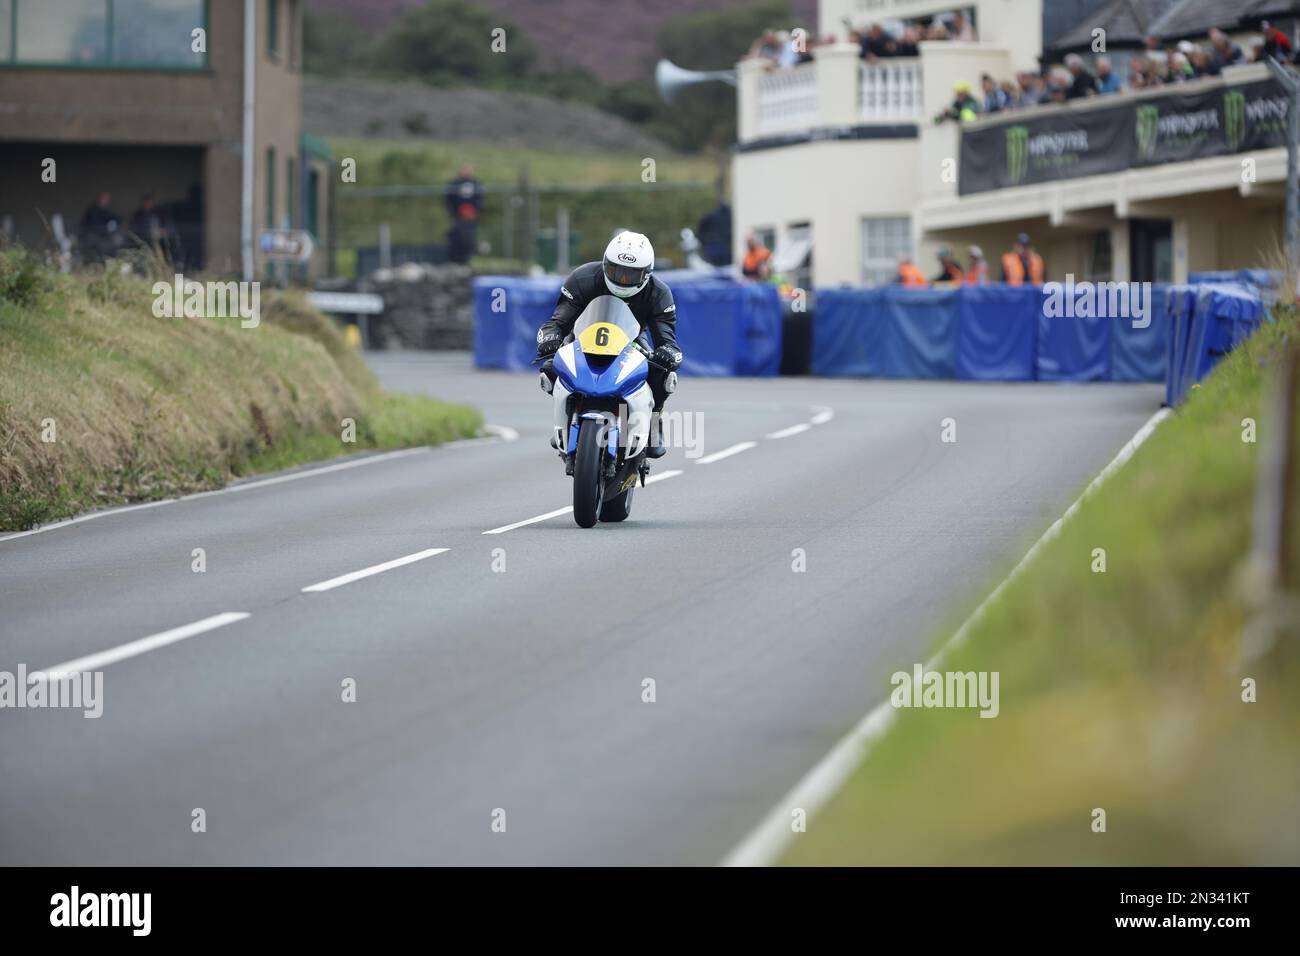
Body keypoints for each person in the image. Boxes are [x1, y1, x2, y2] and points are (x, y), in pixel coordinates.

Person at [535, 231, 683, 459]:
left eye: (631, 274)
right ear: (605, 264)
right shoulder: (582, 278)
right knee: (550, 368)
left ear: (646, 274)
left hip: (632, 340)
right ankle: (565, 420)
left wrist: (668, 353)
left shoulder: (659, 293)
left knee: (662, 376)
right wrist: (550, 335)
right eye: (616, 271)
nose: (622, 278)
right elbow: (560, 319)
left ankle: (653, 422)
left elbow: (667, 339)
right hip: (583, 337)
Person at [444, 162, 484, 265]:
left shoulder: (476, 183)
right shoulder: (454, 183)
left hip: (471, 217)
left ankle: (469, 259)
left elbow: (480, 200)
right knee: (457, 237)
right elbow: (448, 200)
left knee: (469, 238)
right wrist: (454, 213)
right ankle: (455, 260)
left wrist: (474, 212)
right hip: (458, 216)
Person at [78, 191, 121, 264]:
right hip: (92, 237)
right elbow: (90, 224)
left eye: (106, 199)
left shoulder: (107, 210)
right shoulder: (93, 210)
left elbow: (116, 219)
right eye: (103, 199)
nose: (105, 201)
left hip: (104, 238)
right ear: (99, 199)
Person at [696, 199, 733, 266]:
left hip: (712, 247)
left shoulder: (710, 216)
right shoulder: (731, 217)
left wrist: (703, 241)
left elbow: (700, 229)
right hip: (724, 247)